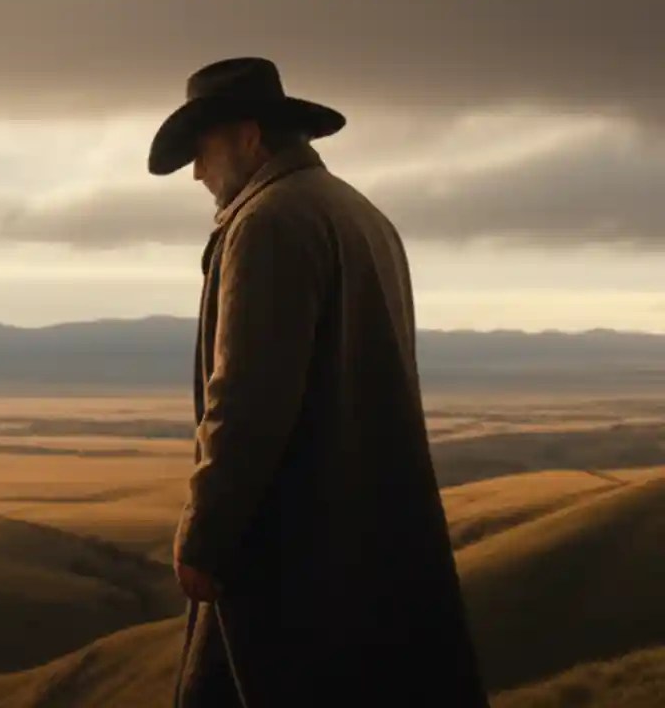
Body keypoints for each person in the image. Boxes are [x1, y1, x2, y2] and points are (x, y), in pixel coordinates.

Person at [148, 57, 490, 707]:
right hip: (364, 542)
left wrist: (205, 534)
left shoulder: (268, 222)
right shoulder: (360, 214)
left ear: (249, 136)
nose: (196, 172)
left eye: (202, 149)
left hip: (292, 551)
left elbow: (246, 398)